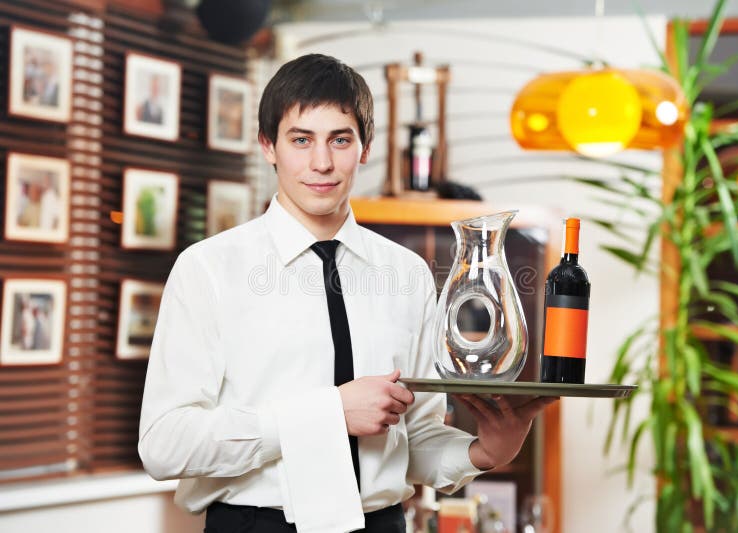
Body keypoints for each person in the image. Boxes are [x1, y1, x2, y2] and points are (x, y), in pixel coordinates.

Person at [138, 53, 555, 533]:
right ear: (268, 145)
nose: (322, 163)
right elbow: (164, 445)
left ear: (365, 147)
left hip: (381, 525)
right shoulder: (208, 269)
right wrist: (330, 412)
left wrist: (486, 451)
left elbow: (414, 438)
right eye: (301, 140)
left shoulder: (408, 273)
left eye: (340, 139)